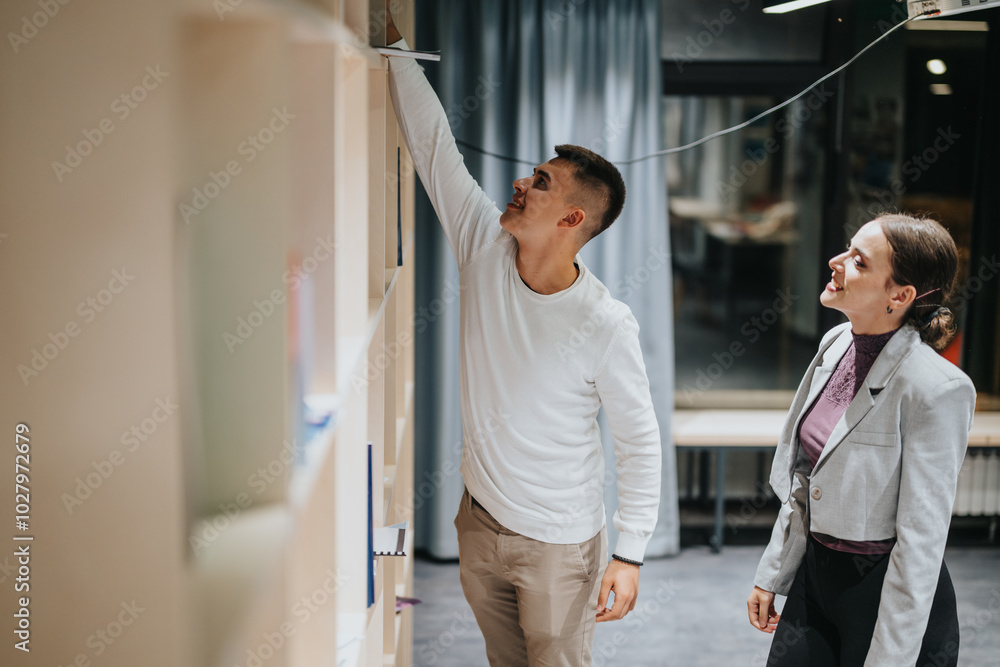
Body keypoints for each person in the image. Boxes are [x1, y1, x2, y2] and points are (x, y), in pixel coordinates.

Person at [382, 13, 662, 667]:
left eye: (540, 182)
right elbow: (431, 146)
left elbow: (640, 441)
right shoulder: (484, 242)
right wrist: (393, 47)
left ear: (571, 218)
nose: (520, 182)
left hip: (561, 544)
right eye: (530, 172)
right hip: (478, 522)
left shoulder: (605, 321)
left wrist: (630, 552)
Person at [746, 213, 976, 666]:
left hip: (885, 590)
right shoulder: (836, 344)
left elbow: (921, 539)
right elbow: (804, 478)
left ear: (900, 295)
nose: (835, 262)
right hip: (816, 576)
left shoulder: (936, 388)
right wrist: (775, 571)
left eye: (858, 261)